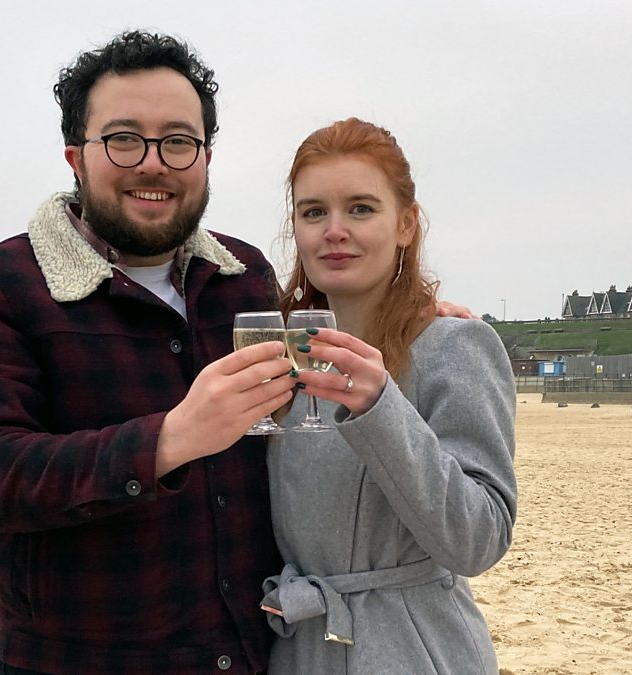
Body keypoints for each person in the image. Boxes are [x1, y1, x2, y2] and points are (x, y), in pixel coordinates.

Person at [0, 32, 296, 674]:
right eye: (124, 139)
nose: (154, 163)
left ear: (206, 157)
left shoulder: (245, 277)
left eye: (179, 142)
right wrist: (171, 438)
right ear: (76, 156)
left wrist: (414, 311)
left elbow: (332, 352)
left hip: (254, 653)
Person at [259, 118, 517, 674]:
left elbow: (480, 539)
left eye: (360, 208)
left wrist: (381, 410)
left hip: (411, 648)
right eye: (313, 212)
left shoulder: (455, 345)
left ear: (405, 224)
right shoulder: (277, 355)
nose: (334, 230)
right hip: (295, 646)